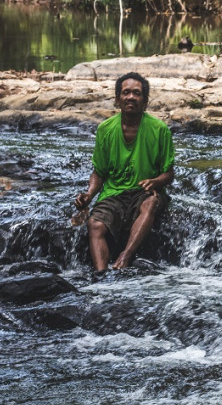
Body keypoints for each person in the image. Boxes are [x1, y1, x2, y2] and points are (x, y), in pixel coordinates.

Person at [74, 72, 175, 274]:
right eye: (126, 92)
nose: (131, 97)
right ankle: (102, 276)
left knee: (151, 204)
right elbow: (99, 172)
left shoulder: (159, 129)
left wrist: (155, 182)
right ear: (117, 99)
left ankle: (125, 256)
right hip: (114, 193)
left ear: (145, 101)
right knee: (95, 224)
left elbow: (169, 174)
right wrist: (89, 194)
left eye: (136, 93)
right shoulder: (105, 129)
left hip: (144, 192)